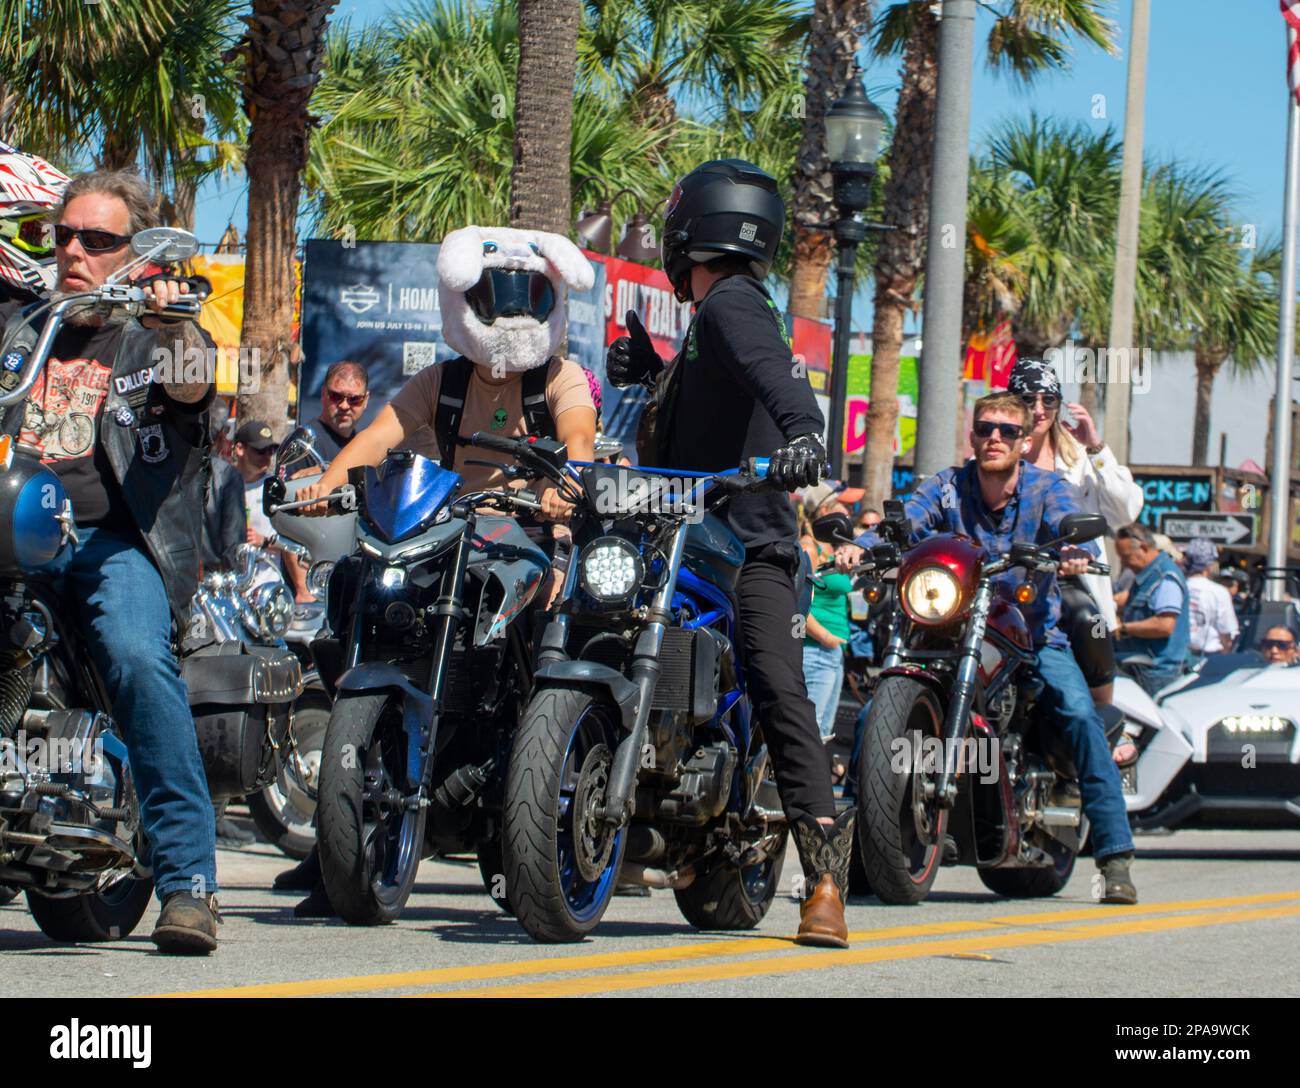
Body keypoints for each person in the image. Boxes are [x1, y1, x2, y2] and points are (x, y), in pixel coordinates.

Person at [291, 224, 597, 919]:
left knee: (539, 631)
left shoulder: (559, 378)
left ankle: (527, 751)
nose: (511, 313)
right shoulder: (441, 379)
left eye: (525, 299)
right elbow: (378, 437)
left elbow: (578, 438)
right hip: (451, 534)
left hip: (527, 537)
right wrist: (329, 480)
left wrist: (565, 484)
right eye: (496, 297)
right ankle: (335, 845)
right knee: (359, 595)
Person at [607, 158, 852, 947]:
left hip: (751, 546)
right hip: (686, 539)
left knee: (781, 689)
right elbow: (718, 410)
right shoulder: (708, 324)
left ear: (688, 230)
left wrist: (808, 434)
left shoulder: (733, 305)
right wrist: (650, 372)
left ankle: (824, 882)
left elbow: (777, 380)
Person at [0, 169, 220, 952]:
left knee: (133, 654)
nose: (74, 252)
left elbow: (195, 386)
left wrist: (173, 325)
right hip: (9, 538)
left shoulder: (153, 337)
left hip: (108, 540)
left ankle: (189, 879)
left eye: (97, 240)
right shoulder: (21, 329)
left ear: (137, 254)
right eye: (62, 236)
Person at [837, 392, 1138, 904]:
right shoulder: (948, 486)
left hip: (1035, 634)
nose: (994, 437)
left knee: (1080, 715)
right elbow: (904, 520)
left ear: (1024, 442)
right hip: (947, 627)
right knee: (873, 715)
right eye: (984, 428)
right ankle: (857, 848)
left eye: (1006, 430)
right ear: (972, 435)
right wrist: (858, 548)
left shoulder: (1047, 489)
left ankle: (1114, 858)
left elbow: (1074, 529)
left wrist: (1074, 553)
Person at [1009, 360, 1143, 711]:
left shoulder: (1079, 457)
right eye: (1027, 400)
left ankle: (1104, 722)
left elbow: (1126, 510)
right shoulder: (997, 450)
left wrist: (1096, 447)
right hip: (1008, 581)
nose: (1039, 410)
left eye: (1048, 401)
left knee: (1088, 619)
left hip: (1070, 581)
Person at [799, 482, 862, 780]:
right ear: (824, 511)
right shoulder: (809, 549)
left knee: (821, 732)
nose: (846, 510)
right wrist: (825, 638)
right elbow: (797, 605)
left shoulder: (831, 549)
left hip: (831, 653)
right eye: (839, 504)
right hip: (815, 651)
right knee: (812, 733)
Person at [1115, 521, 1190, 696]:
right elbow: (1146, 600)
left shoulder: (1165, 577)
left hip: (1157, 673)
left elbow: (1164, 625)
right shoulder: (1149, 576)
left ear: (1143, 547)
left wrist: (1122, 629)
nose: (1124, 563)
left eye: (1126, 557)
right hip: (1144, 669)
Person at [1183, 539, 1238, 659]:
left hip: (1178, 655)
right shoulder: (1219, 592)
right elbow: (1226, 632)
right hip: (1209, 656)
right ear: (1209, 566)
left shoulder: (1178, 587)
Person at [308, 359, 368, 461]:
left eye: (354, 399)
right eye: (336, 396)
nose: (344, 406)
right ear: (323, 394)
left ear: (366, 400)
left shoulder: (364, 448)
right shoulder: (304, 444)